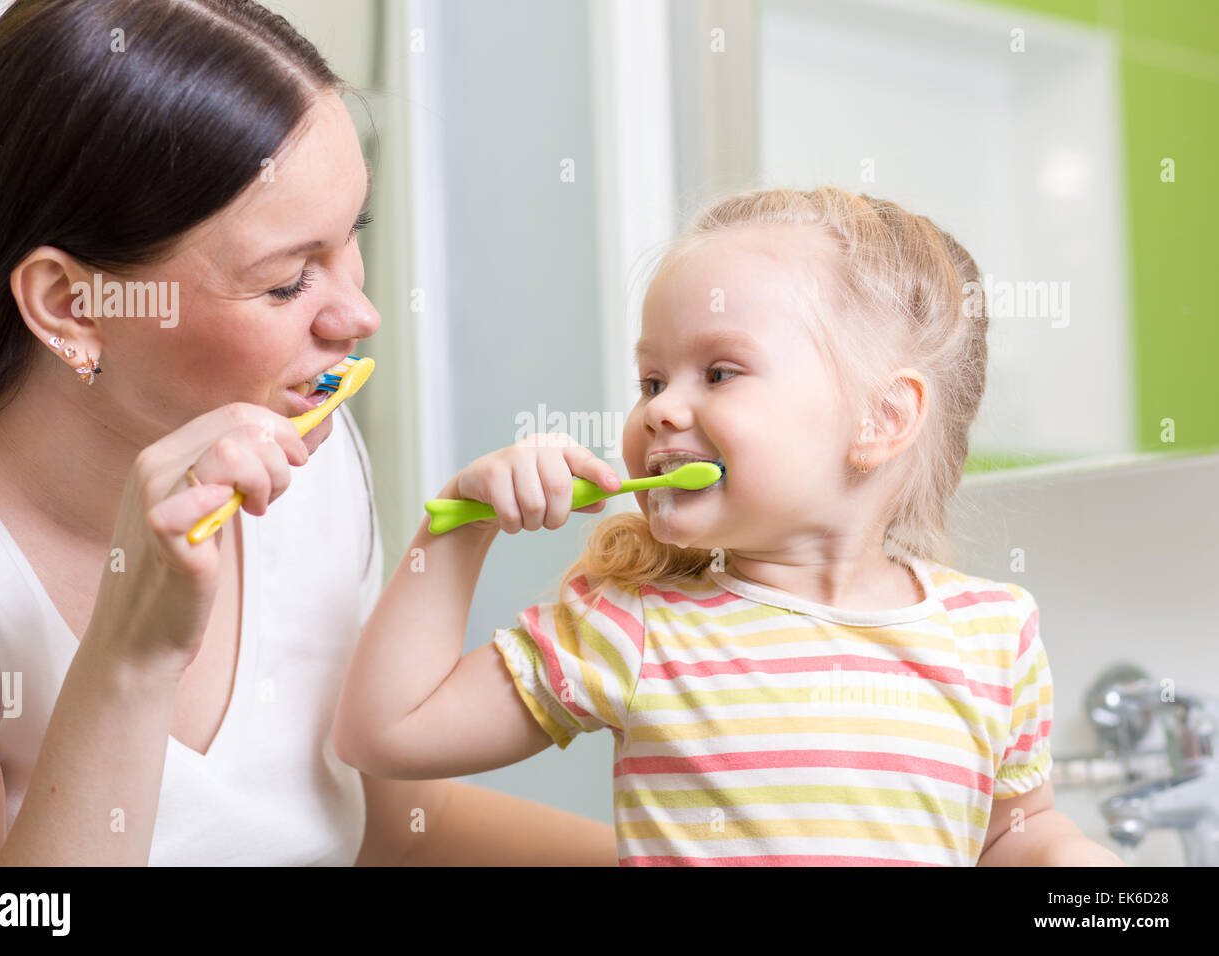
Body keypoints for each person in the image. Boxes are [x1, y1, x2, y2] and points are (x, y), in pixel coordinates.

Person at [0, 0, 615, 866]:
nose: (359, 314)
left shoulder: (306, 458)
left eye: (350, 236)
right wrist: (132, 657)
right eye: (289, 283)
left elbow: (396, 833)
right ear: (73, 305)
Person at [333, 186, 1127, 866]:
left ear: (883, 417)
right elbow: (386, 736)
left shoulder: (992, 635)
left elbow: (1017, 836)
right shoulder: (632, 625)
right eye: (651, 378)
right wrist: (462, 524)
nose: (661, 408)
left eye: (718, 372)